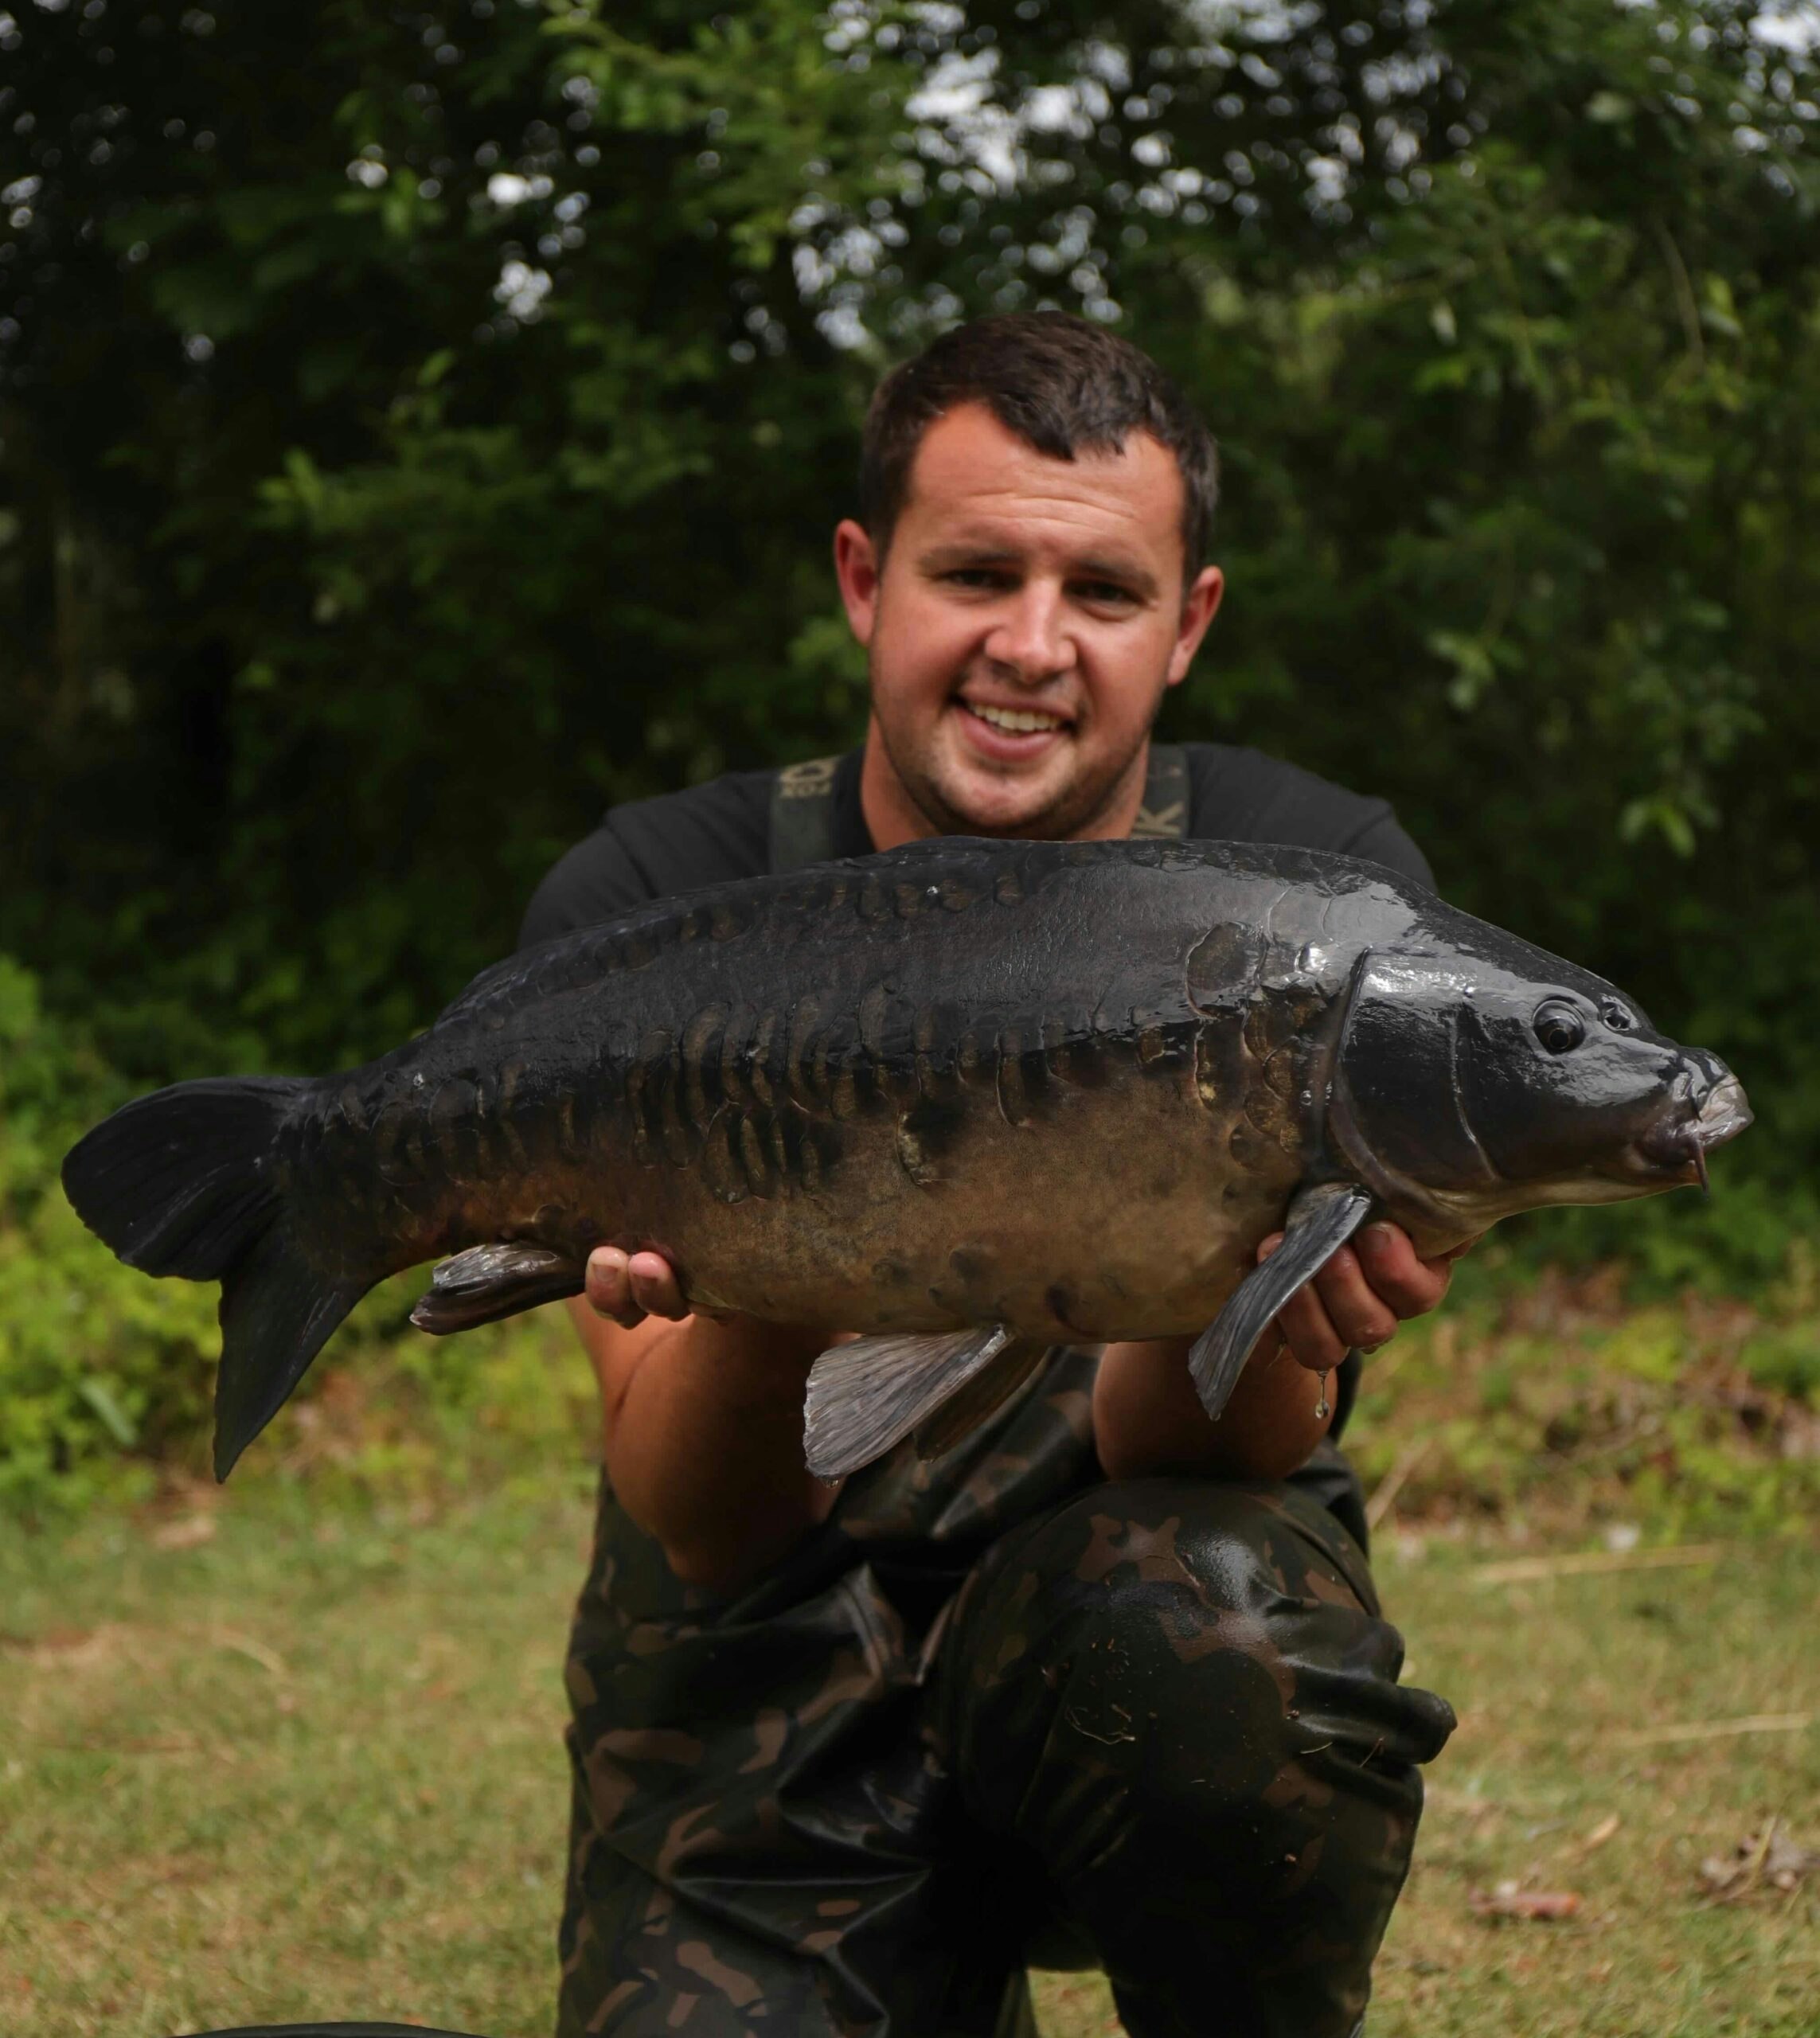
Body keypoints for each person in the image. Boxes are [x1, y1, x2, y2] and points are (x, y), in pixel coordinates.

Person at [518, 313, 1459, 2038]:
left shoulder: (1323, 907)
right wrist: (774, 1250)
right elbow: (708, 1516)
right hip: (752, 1652)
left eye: (1102, 592)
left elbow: (1194, 1447)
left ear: (1189, 625)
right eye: (975, 573)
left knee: (1232, 1650)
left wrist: (1269, 1295)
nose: (1031, 646)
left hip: (1131, 1605)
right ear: (866, 579)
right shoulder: (655, 906)